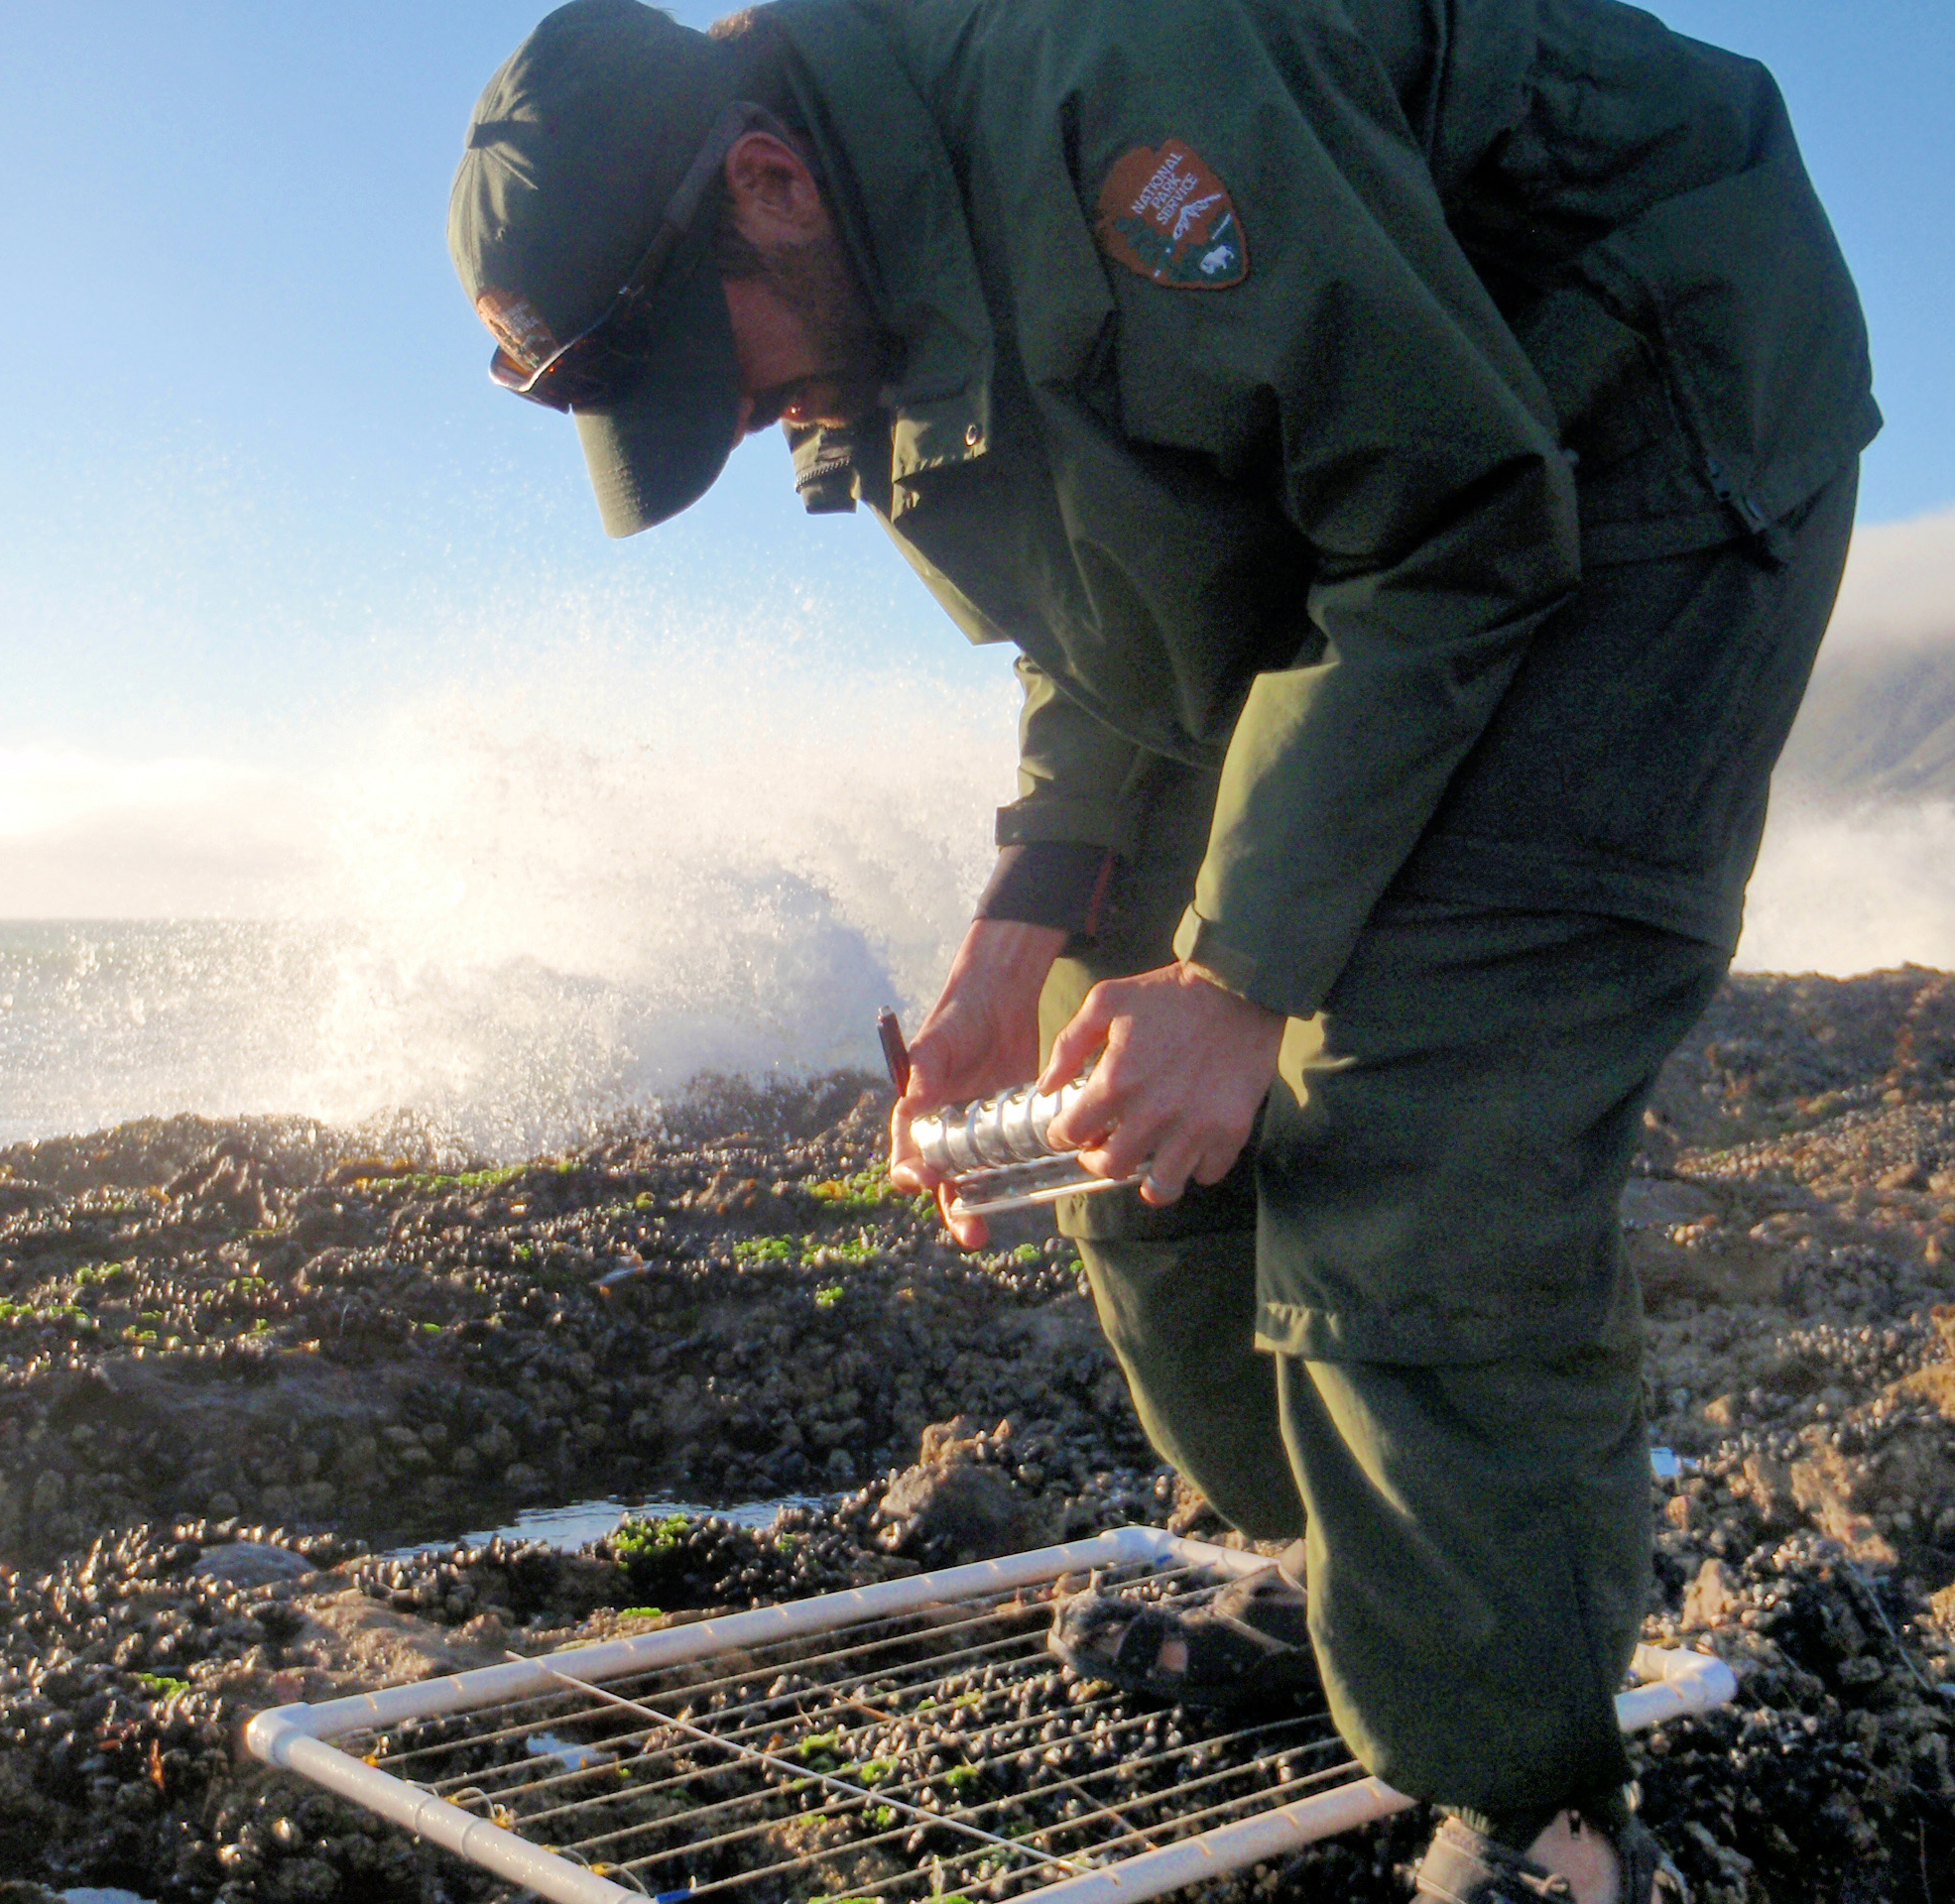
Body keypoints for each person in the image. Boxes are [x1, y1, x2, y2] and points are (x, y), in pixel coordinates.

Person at [448, 0, 1877, 1896]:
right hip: (1387, 477)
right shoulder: (870, 292)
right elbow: (1114, 629)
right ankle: (1365, 1584)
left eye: (712, 371)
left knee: (1406, 1099)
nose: (730, 419)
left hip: (1632, 390)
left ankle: (1535, 1814)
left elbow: (1455, 515)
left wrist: (1247, 979)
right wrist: (1013, 933)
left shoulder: (1121, 86)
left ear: (770, 184)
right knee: (1097, 1066)